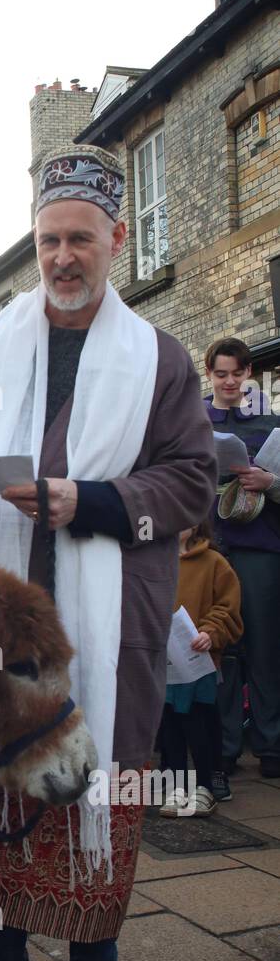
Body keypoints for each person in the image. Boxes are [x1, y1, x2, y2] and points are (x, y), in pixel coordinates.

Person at [0, 145, 216, 961]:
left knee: (100, 790)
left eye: (81, 238)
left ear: (116, 241)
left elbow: (194, 478)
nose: (63, 256)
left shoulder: (157, 359)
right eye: (49, 239)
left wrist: (92, 501)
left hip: (98, 627)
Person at [203, 337, 280, 789]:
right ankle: (224, 748)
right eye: (221, 374)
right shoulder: (191, 420)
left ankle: (271, 746)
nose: (229, 382)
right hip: (209, 548)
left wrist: (269, 480)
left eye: (237, 373)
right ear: (209, 373)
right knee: (220, 653)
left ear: (249, 372)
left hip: (261, 547)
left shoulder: (272, 421)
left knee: (266, 649)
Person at [159, 521, 242, 819]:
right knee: (169, 726)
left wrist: (211, 631)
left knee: (200, 723)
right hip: (163, 661)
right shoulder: (153, 559)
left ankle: (206, 785)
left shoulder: (214, 562)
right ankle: (176, 787)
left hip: (200, 661)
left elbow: (228, 607)